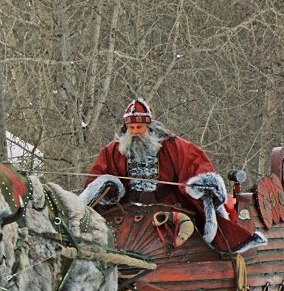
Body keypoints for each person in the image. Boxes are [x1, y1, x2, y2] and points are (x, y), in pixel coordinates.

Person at [80, 98, 264, 253]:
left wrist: (199, 184)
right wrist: (109, 188)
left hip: (169, 207)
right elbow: (97, 178)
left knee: (184, 230)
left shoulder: (171, 146)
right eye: (132, 128)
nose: (135, 132)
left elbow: (194, 163)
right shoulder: (113, 151)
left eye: (139, 127)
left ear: (149, 126)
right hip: (127, 212)